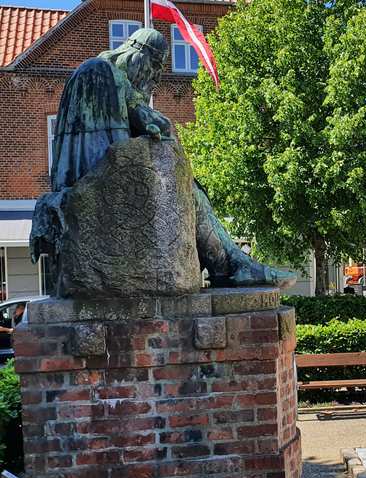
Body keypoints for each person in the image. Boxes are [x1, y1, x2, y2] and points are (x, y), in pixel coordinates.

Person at [31, 28, 294, 291]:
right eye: (155, 67)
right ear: (139, 57)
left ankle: (231, 264)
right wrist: (148, 124)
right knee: (187, 192)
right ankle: (230, 265)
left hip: (106, 187)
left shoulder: (106, 78)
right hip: (102, 192)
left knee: (192, 191)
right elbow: (122, 143)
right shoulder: (102, 73)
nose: (156, 78)